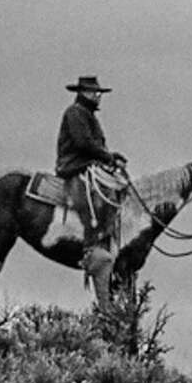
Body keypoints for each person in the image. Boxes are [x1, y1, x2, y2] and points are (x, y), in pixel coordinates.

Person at [55, 76, 127, 307]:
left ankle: (105, 240)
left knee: (114, 190)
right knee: (90, 196)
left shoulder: (88, 116)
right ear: (83, 92)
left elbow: (95, 146)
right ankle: (90, 247)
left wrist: (110, 157)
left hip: (87, 165)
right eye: (94, 92)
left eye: (99, 92)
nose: (98, 96)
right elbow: (82, 143)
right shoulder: (75, 113)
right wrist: (107, 156)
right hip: (73, 167)